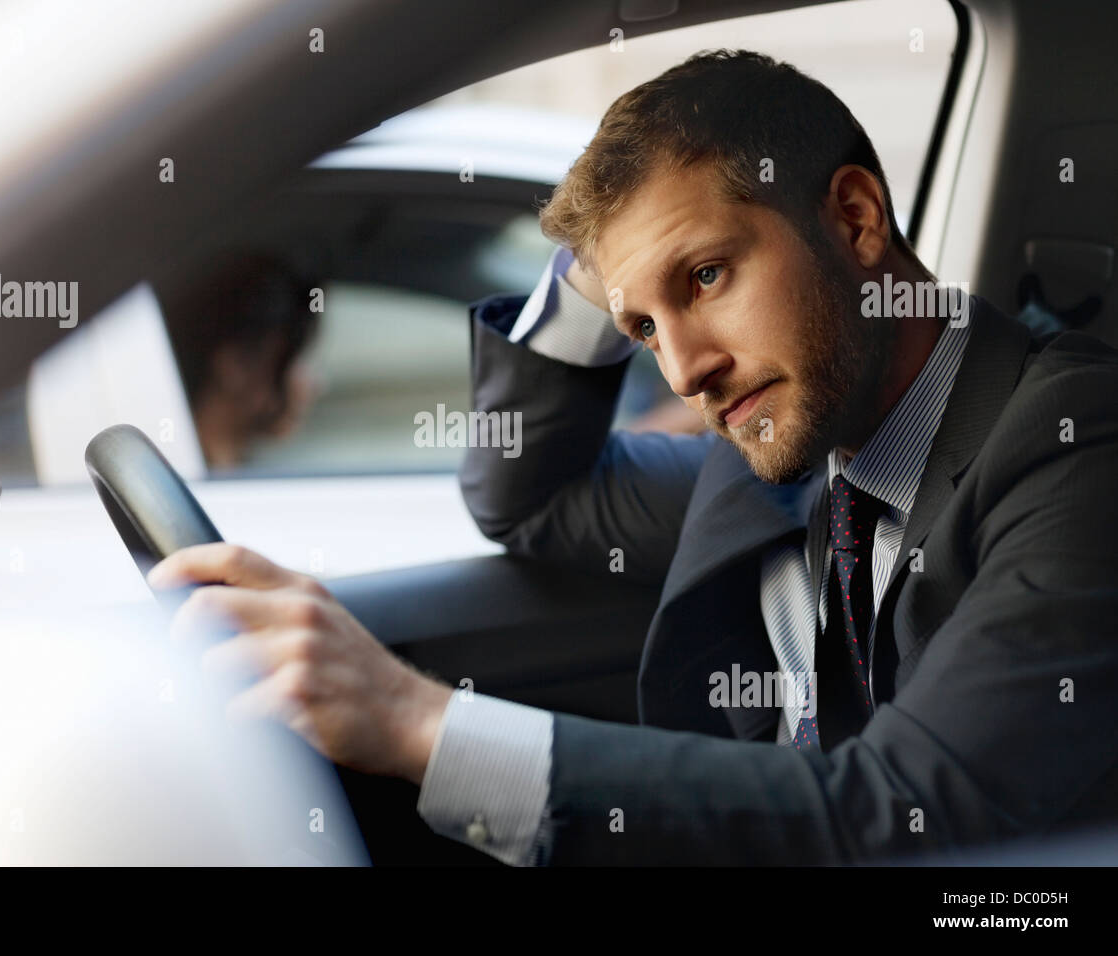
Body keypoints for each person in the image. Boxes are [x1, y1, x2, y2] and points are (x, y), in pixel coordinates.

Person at [145, 51, 1118, 865]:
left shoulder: (1075, 442)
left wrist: (416, 721)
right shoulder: (780, 455)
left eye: (707, 275)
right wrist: (602, 259)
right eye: (644, 326)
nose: (687, 370)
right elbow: (528, 493)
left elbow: (902, 803)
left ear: (856, 218)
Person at [159, 252, 321, 471]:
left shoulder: (224, 478)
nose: (314, 384)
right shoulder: (182, 479)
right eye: (294, 360)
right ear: (234, 365)